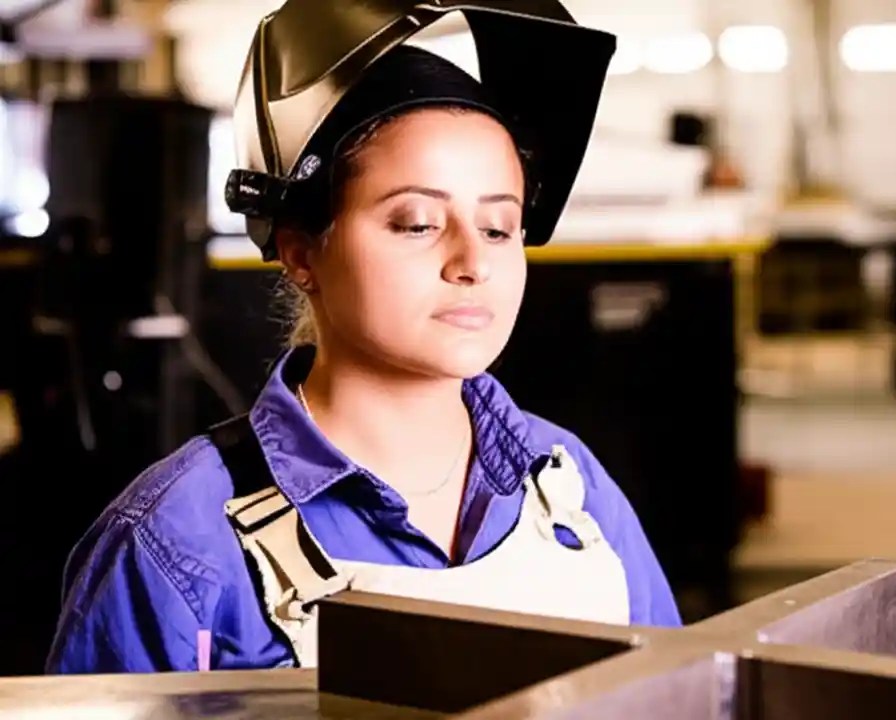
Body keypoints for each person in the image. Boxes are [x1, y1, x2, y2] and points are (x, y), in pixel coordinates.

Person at [47, 0, 679, 674]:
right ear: (301, 253)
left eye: (499, 227)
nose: (473, 261)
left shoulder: (571, 489)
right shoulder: (178, 542)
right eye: (416, 223)